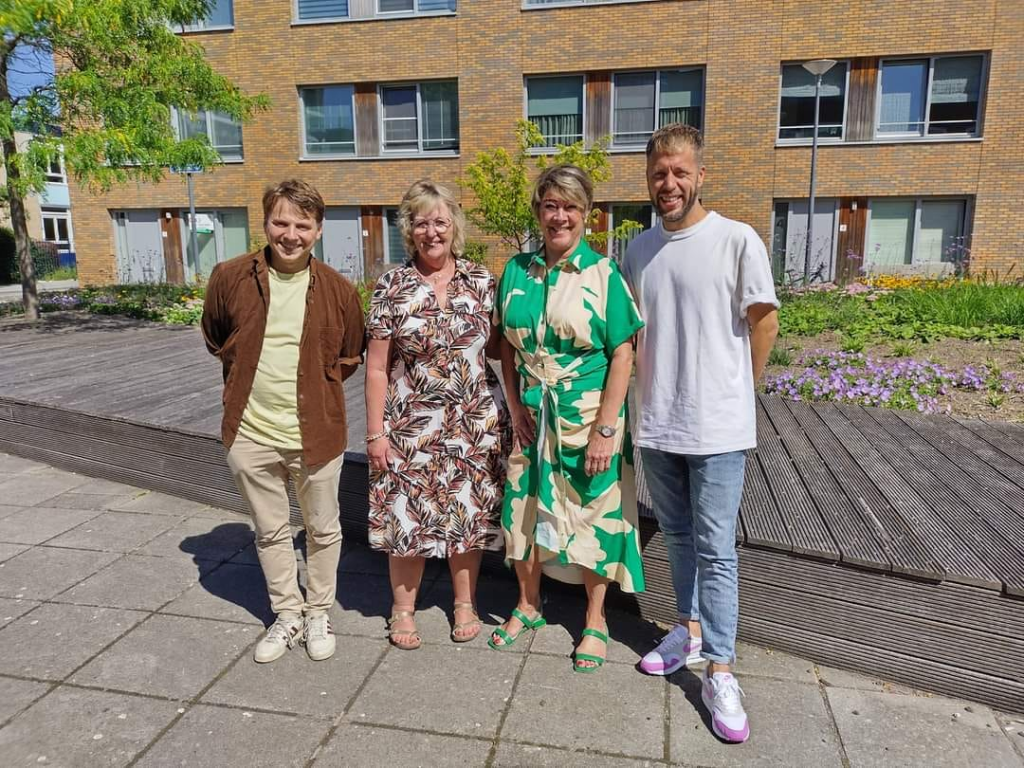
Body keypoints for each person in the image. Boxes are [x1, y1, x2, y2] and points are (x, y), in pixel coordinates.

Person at [621, 124, 779, 743]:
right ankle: (685, 632)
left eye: (680, 172)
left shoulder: (736, 239)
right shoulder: (637, 250)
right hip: (657, 421)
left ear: (700, 175)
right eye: (660, 173)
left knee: (717, 549)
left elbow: (762, 321)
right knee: (680, 536)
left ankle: (720, 668)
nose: (669, 183)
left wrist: (744, 391)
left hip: (716, 425)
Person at [201, 179, 365, 663]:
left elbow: (350, 354)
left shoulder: (337, 289)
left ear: (317, 230)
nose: (290, 234)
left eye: (302, 224)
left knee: (323, 528)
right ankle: (287, 614)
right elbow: (215, 335)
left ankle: (318, 611)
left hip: (317, 432)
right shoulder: (231, 277)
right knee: (270, 530)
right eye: (281, 222)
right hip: (250, 432)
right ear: (266, 221)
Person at [490, 164, 645, 673]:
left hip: (586, 418)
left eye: (571, 207)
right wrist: (514, 407)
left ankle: (596, 620)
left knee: (595, 515)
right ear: (538, 211)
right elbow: (505, 352)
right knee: (523, 508)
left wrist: (606, 428)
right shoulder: (515, 271)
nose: (560, 216)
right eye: (551, 205)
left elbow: (623, 353)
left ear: (587, 216)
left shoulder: (604, 274)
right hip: (532, 417)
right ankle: (528, 605)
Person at [364, 179, 511, 650]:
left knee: (467, 516)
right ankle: (402, 610)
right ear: (410, 229)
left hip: (474, 422)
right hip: (411, 424)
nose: (432, 232)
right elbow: (376, 369)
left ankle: (464, 603)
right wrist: (374, 434)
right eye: (422, 222)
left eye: (441, 222)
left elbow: (502, 350)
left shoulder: (482, 282)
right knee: (407, 518)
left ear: (455, 227)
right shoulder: (393, 284)